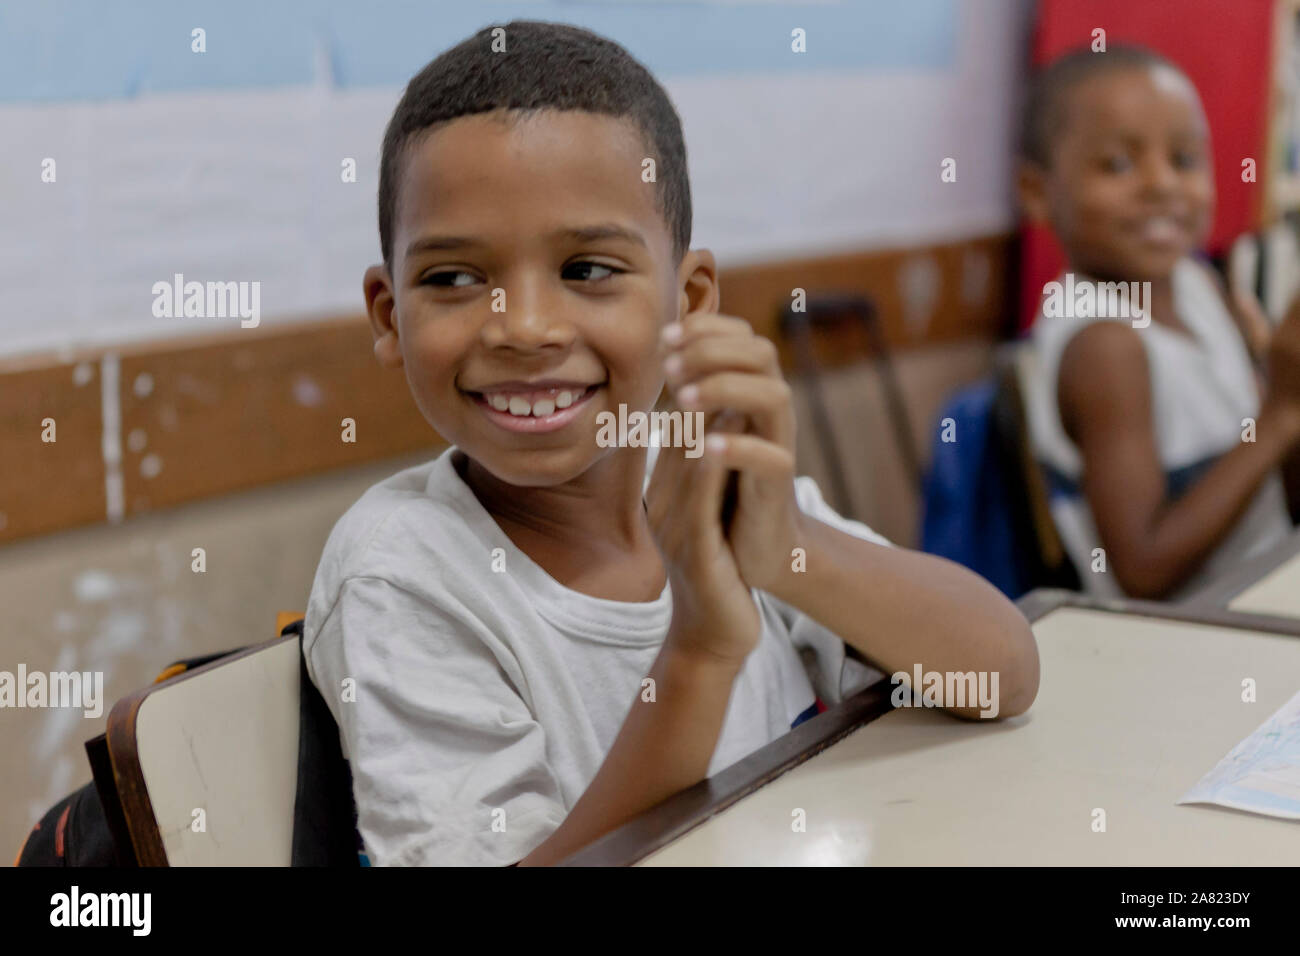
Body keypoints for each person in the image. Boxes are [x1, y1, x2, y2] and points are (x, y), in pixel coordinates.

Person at [304, 20, 1039, 867]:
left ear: (689, 301)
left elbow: (1003, 674)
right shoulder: (404, 574)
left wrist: (792, 547)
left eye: (587, 269)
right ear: (391, 316)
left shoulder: (709, 481)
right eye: (454, 279)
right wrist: (698, 652)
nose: (527, 328)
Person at [1017, 45, 1300, 600]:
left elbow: (1273, 492)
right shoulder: (1104, 347)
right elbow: (1143, 572)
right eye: (1118, 164)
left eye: (1185, 159)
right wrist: (1282, 414)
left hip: (1267, 589)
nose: (1161, 184)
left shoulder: (1201, 287)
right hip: (1187, 636)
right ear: (1036, 192)